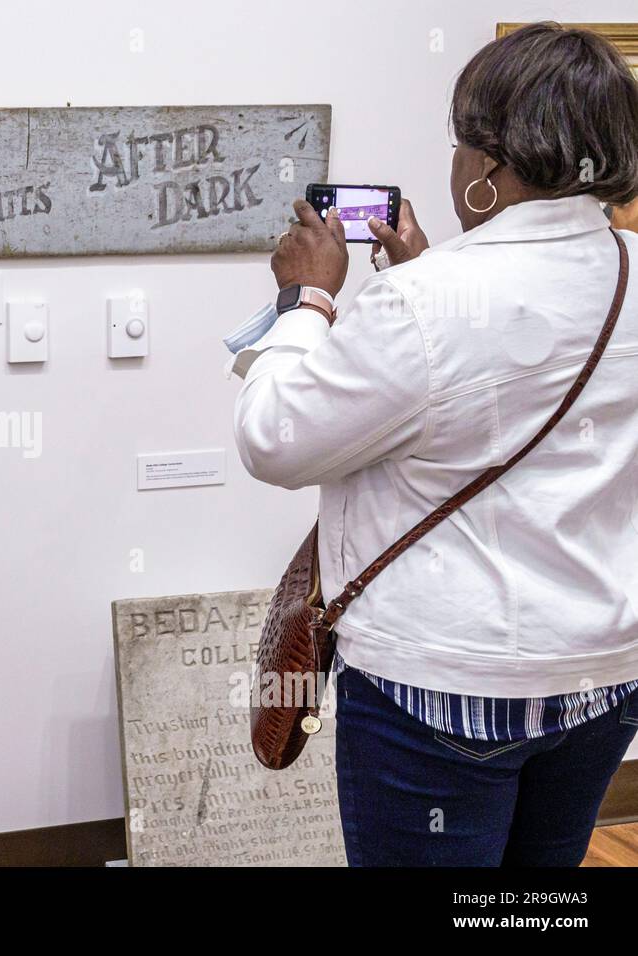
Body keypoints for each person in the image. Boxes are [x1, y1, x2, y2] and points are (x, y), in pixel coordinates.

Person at [233, 22, 638, 866]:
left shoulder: (425, 304)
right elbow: (503, 358)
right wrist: (417, 272)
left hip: (444, 683)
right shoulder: (628, 265)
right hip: (604, 670)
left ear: (489, 168)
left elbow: (275, 441)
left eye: (461, 146)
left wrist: (307, 299)